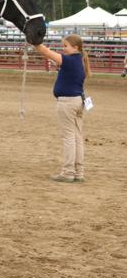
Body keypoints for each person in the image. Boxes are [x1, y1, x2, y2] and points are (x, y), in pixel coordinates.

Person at [33, 34, 90, 183]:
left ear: (75, 47)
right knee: (77, 138)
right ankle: (78, 172)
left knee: (69, 138)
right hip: (77, 101)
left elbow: (46, 52)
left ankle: (68, 172)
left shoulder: (70, 60)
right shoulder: (79, 60)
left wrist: (35, 43)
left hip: (67, 102)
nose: (63, 48)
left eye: (66, 46)